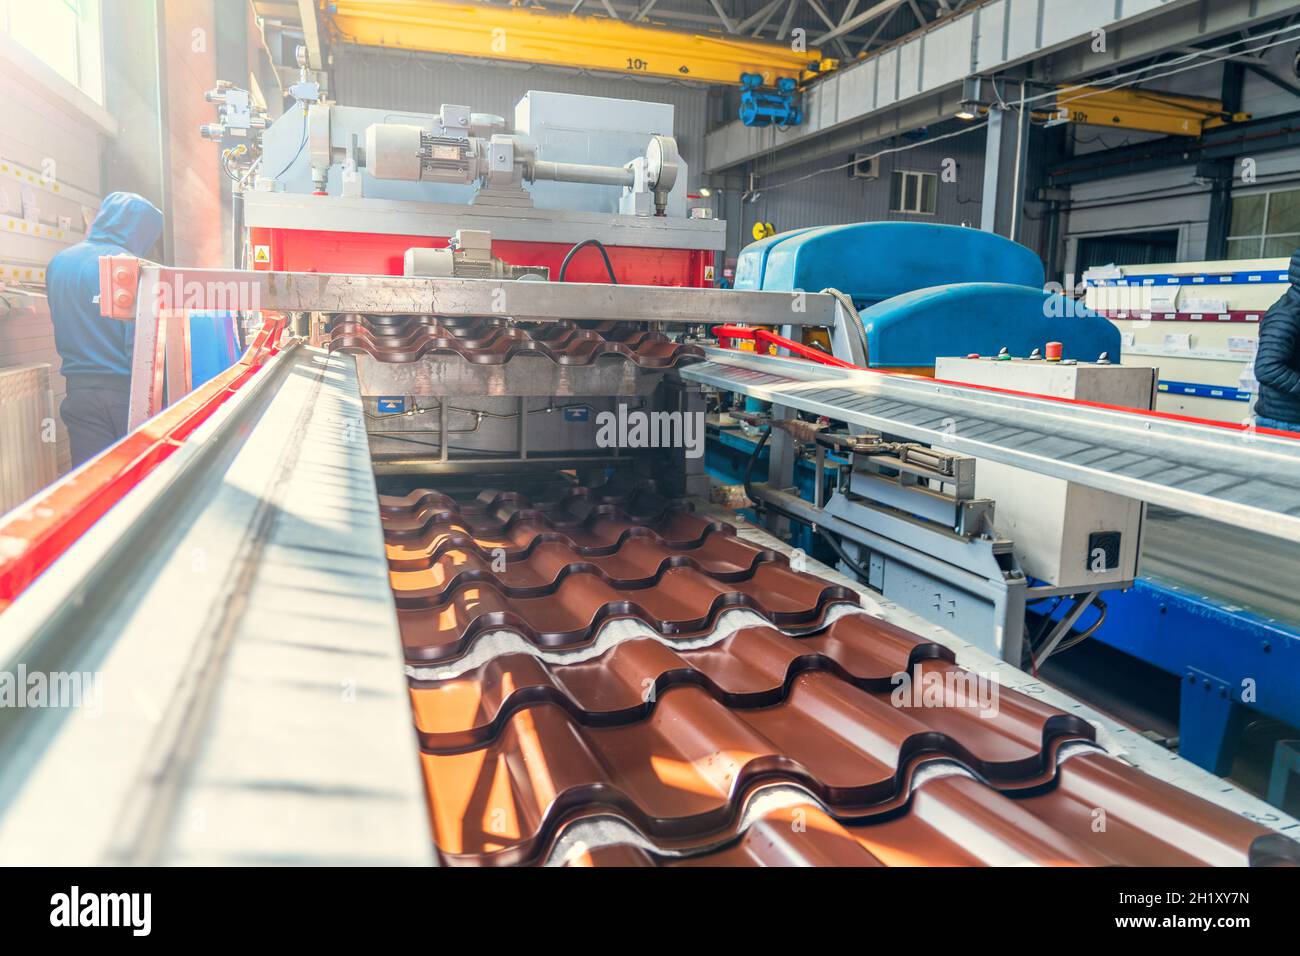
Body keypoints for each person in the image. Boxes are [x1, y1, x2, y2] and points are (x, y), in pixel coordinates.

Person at [47, 192, 163, 466]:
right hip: (126, 395)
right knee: (136, 481)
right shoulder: (130, 268)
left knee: (93, 483)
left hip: (79, 394)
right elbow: (139, 343)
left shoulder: (58, 263)